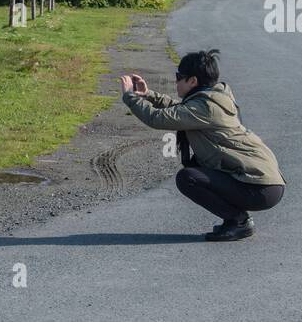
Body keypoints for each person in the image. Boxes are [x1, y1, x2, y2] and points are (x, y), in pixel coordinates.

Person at [120, 49, 284, 241]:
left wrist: (130, 97)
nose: (176, 81)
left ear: (192, 81)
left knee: (188, 178)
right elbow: (180, 110)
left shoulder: (205, 107)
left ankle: (239, 221)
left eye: (179, 76)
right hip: (263, 183)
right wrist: (148, 95)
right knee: (196, 168)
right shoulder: (211, 99)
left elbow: (157, 119)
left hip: (260, 188)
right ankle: (236, 220)